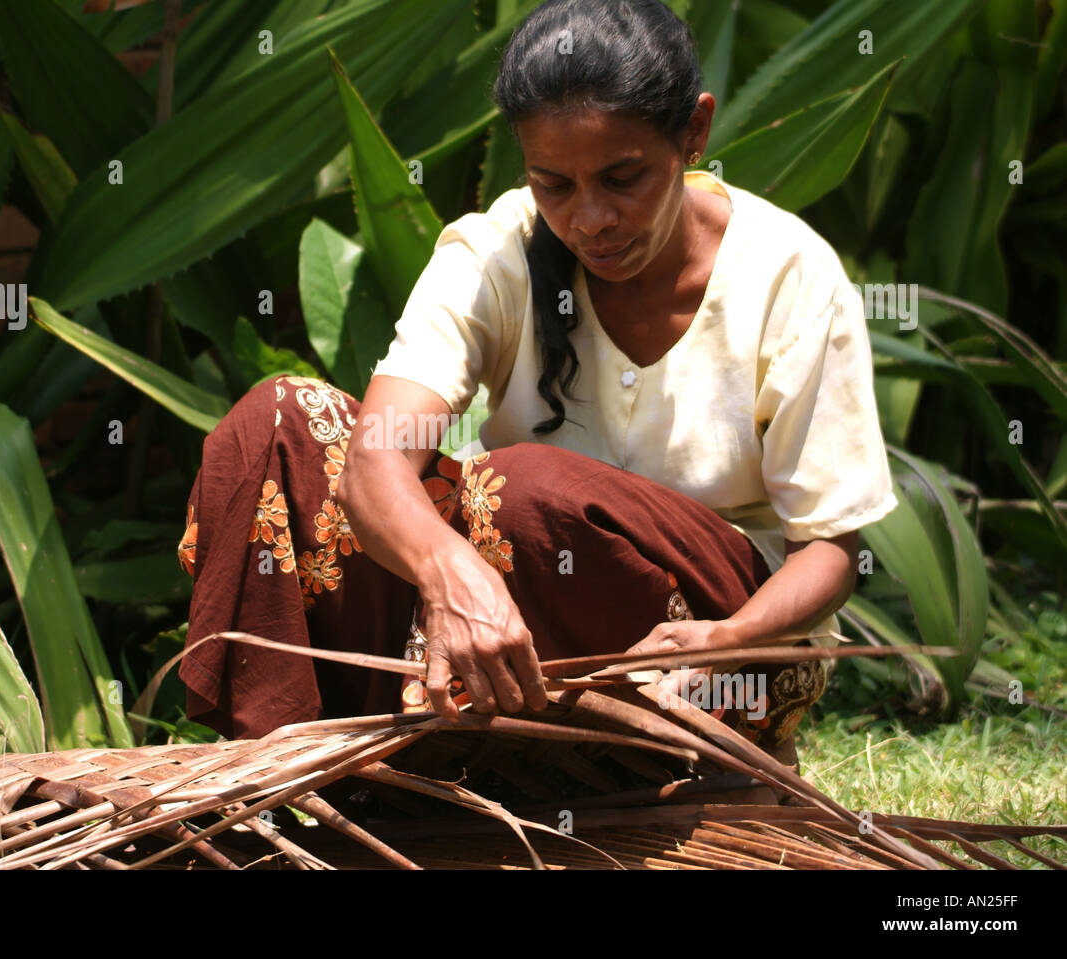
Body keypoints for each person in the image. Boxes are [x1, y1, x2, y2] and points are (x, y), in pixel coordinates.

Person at [175, 0, 897, 769]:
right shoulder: (496, 250)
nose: (590, 220)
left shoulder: (790, 275)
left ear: (695, 133)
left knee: (524, 495)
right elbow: (375, 457)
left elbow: (829, 550)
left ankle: (636, 766)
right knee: (277, 423)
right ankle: (302, 770)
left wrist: (726, 639)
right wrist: (449, 572)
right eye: (553, 183)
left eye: (623, 179)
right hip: (512, 613)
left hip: (718, 657)